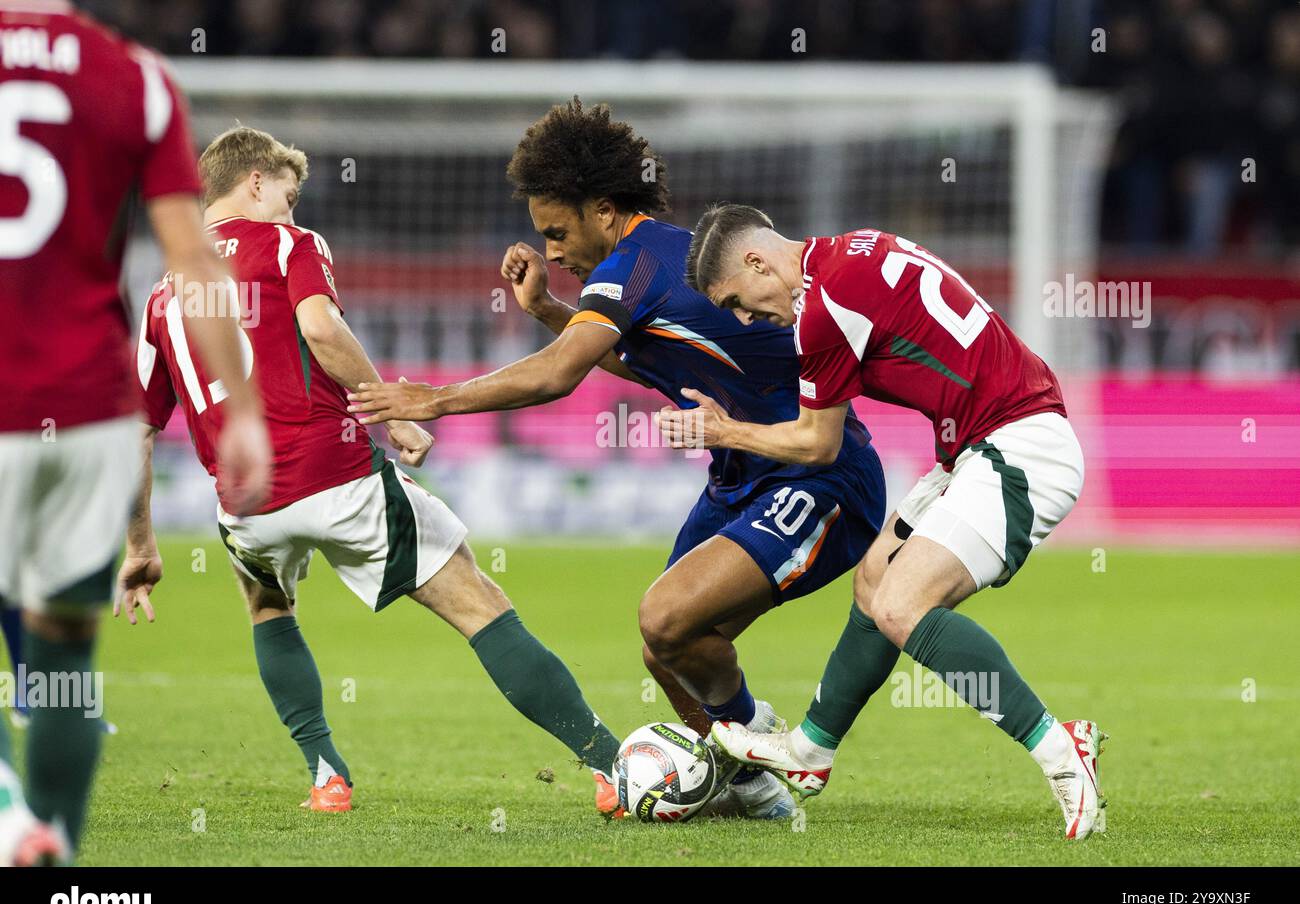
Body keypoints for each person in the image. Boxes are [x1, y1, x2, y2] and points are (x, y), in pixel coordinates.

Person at [347, 99, 888, 819]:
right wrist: (545, 309)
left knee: (667, 617)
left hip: (818, 474)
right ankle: (751, 788)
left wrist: (434, 399)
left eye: (558, 232)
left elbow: (556, 374)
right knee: (667, 650)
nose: (556, 251)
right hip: (743, 473)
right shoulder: (655, 260)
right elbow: (648, 366)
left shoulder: (635, 265)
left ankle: (757, 748)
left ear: (605, 210)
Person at [120, 126, 624, 816]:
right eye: (288, 197)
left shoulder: (160, 294)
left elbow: (136, 432)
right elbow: (322, 330)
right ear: (256, 182)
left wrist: (140, 545)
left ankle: (327, 777)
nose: (294, 212)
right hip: (333, 472)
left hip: (245, 505)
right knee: (478, 602)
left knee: (269, 608)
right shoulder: (291, 245)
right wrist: (395, 415)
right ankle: (610, 765)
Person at [659, 204, 1106, 840]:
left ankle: (1062, 749)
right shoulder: (857, 249)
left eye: (737, 299)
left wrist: (723, 429)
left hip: (1020, 446)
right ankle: (811, 751)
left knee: (901, 606)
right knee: (873, 583)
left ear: (758, 262)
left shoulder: (820, 310)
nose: (742, 317)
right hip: (975, 447)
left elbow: (818, 445)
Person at [0, 0, 271, 865]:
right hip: (87, 413)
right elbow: (192, 260)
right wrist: (246, 409)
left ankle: (11, 820)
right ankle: (59, 862)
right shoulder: (137, 79)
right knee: (62, 659)